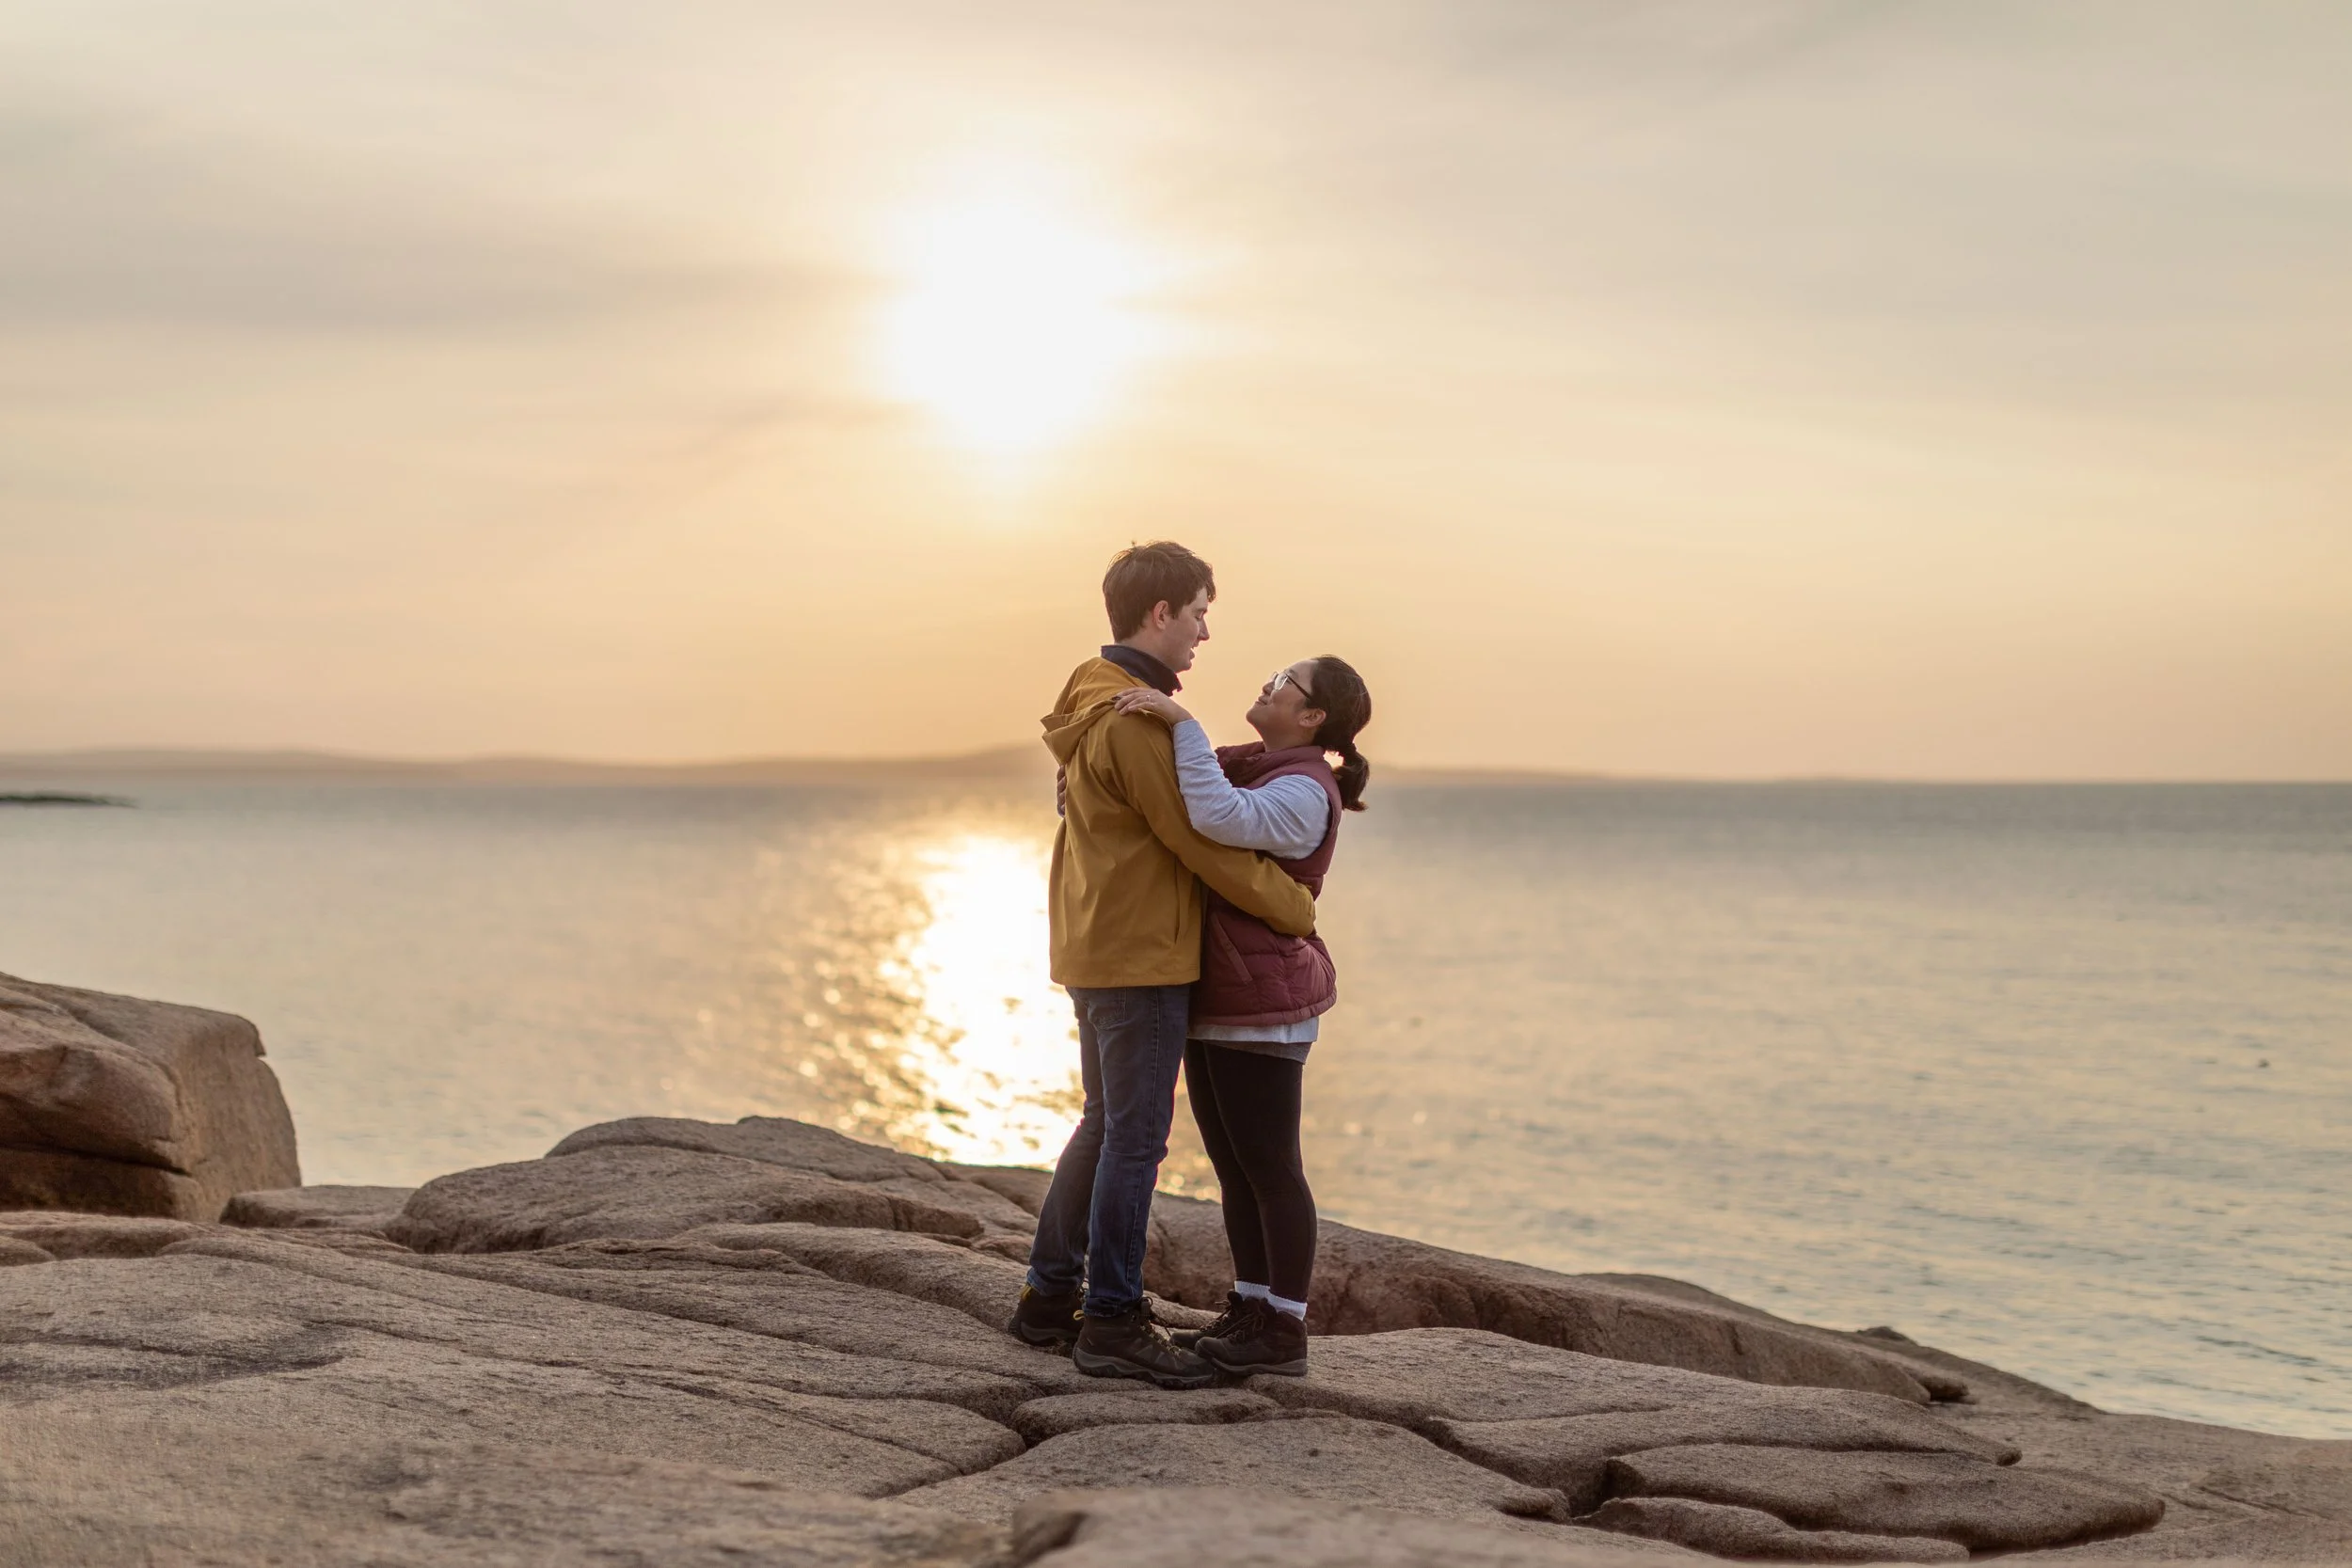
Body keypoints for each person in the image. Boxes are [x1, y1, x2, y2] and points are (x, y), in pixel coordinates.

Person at [1007, 542, 1320, 1389]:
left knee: (1103, 1124)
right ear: (1160, 614)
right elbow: (1197, 837)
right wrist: (1292, 906)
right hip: (1141, 954)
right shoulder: (1137, 720)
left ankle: (1048, 1297)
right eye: (1198, 614)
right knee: (1137, 1137)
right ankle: (1111, 1318)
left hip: (1091, 940)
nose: (1204, 634)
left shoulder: (1088, 693)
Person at [1109, 656, 1372, 1378]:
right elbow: (1172, 788)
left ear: (1313, 716)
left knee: (1272, 1167)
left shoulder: (1304, 789)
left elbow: (1217, 816)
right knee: (1234, 1167)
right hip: (1224, 994)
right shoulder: (1256, 764)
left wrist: (1182, 722)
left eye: (1288, 680)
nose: (1271, 681)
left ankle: (1285, 1327)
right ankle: (1251, 1306)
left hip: (1264, 1002)